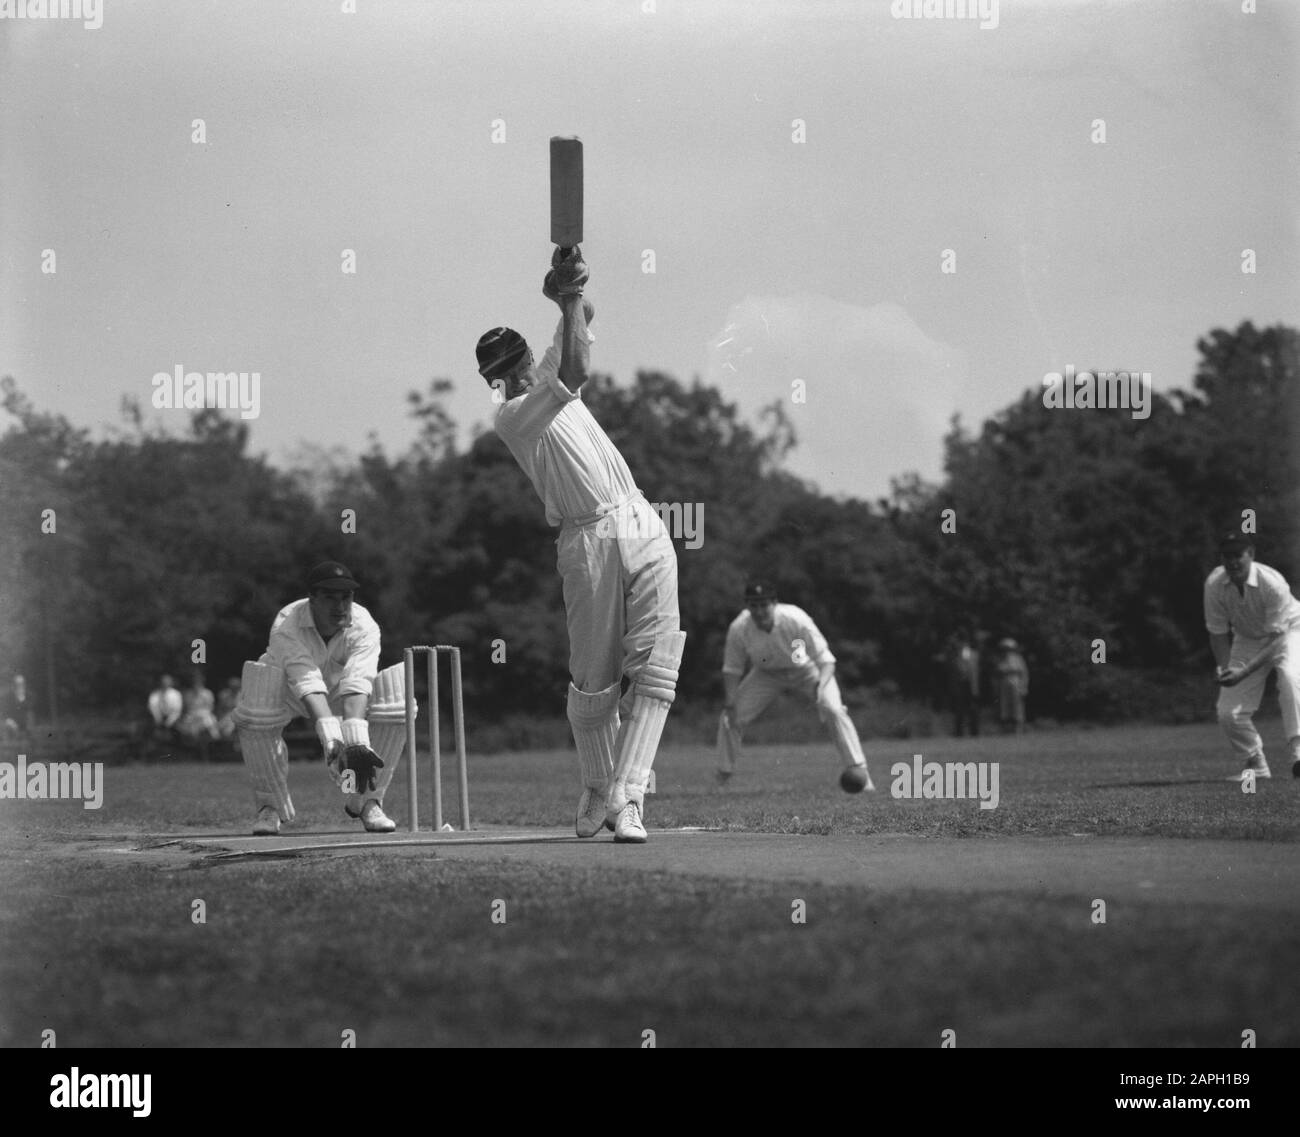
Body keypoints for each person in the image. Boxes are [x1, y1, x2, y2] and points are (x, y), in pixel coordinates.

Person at [476, 244, 685, 844]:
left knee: (658, 664)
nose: (515, 373)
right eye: (503, 370)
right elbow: (576, 371)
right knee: (596, 680)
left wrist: (571, 283)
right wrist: (565, 299)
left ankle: (629, 796)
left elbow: (583, 318)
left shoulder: (542, 373)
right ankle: (598, 783)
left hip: (637, 517)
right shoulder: (514, 415)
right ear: (493, 382)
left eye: (517, 359)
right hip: (584, 537)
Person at [232, 560, 409, 835]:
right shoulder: (287, 623)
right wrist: (332, 740)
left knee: (398, 704)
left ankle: (367, 802)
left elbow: (357, 682)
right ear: (311, 598)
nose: (339, 607)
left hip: (340, 692)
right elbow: (306, 681)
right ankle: (269, 808)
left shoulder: (365, 625)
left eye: (345, 597)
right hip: (288, 689)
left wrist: (356, 742)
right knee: (256, 709)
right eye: (329, 598)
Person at [716, 581, 874, 792]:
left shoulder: (796, 619)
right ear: (747, 606)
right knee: (729, 717)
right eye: (754, 605)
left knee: (834, 710)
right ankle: (723, 777)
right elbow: (732, 668)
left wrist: (821, 685)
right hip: (766, 673)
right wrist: (730, 701)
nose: (759, 611)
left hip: (806, 670)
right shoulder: (739, 628)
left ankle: (860, 773)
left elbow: (826, 660)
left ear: (774, 603)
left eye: (764, 605)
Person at [1204, 530, 1300, 781]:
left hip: (1289, 632)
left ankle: (1299, 755)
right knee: (1228, 713)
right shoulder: (1214, 584)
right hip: (1247, 638)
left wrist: (1244, 671)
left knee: (1290, 679)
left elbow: (1277, 638)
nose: (1233, 562)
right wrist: (1225, 669)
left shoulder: (1272, 583)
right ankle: (1256, 763)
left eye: (1238, 555)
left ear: (1251, 555)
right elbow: (1217, 632)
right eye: (1227, 556)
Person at [176, 669, 220, 760]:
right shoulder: (188, 694)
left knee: (207, 721)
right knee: (187, 726)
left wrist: (200, 714)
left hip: (205, 715)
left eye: (198, 682)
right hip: (191, 717)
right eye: (195, 682)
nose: (196, 684)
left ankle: (215, 740)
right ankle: (193, 745)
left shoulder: (207, 693)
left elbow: (210, 708)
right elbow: (187, 708)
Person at [945, 629, 981, 737]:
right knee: (959, 709)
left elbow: (973, 671)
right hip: (959, 686)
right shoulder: (953, 655)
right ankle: (959, 732)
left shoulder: (973, 654)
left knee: (973, 709)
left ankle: (974, 732)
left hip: (970, 685)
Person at [994, 638, 1029, 734]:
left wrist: (1024, 687)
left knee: (1017, 707)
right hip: (1004, 684)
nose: (1007, 651)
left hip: (1016, 682)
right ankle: (1006, 729)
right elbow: (997, 675)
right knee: (1004, 707)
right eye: (1005, 649)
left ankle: (1018, 729)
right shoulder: (1000, 660)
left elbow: (1024, 674)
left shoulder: (1018, 659)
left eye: (1008, 649)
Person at [1, 674, 33, 742]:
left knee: (26, 741)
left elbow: (30, 711)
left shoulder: (29, 696)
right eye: (17, 684)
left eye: (21, 684)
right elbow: (4, 713)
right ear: (14, 685)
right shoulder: (8, 697)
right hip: (12, 726)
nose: (19, 686)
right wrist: (9, 721)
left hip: (26, 726)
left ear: (24, 685)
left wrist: (22, 698)